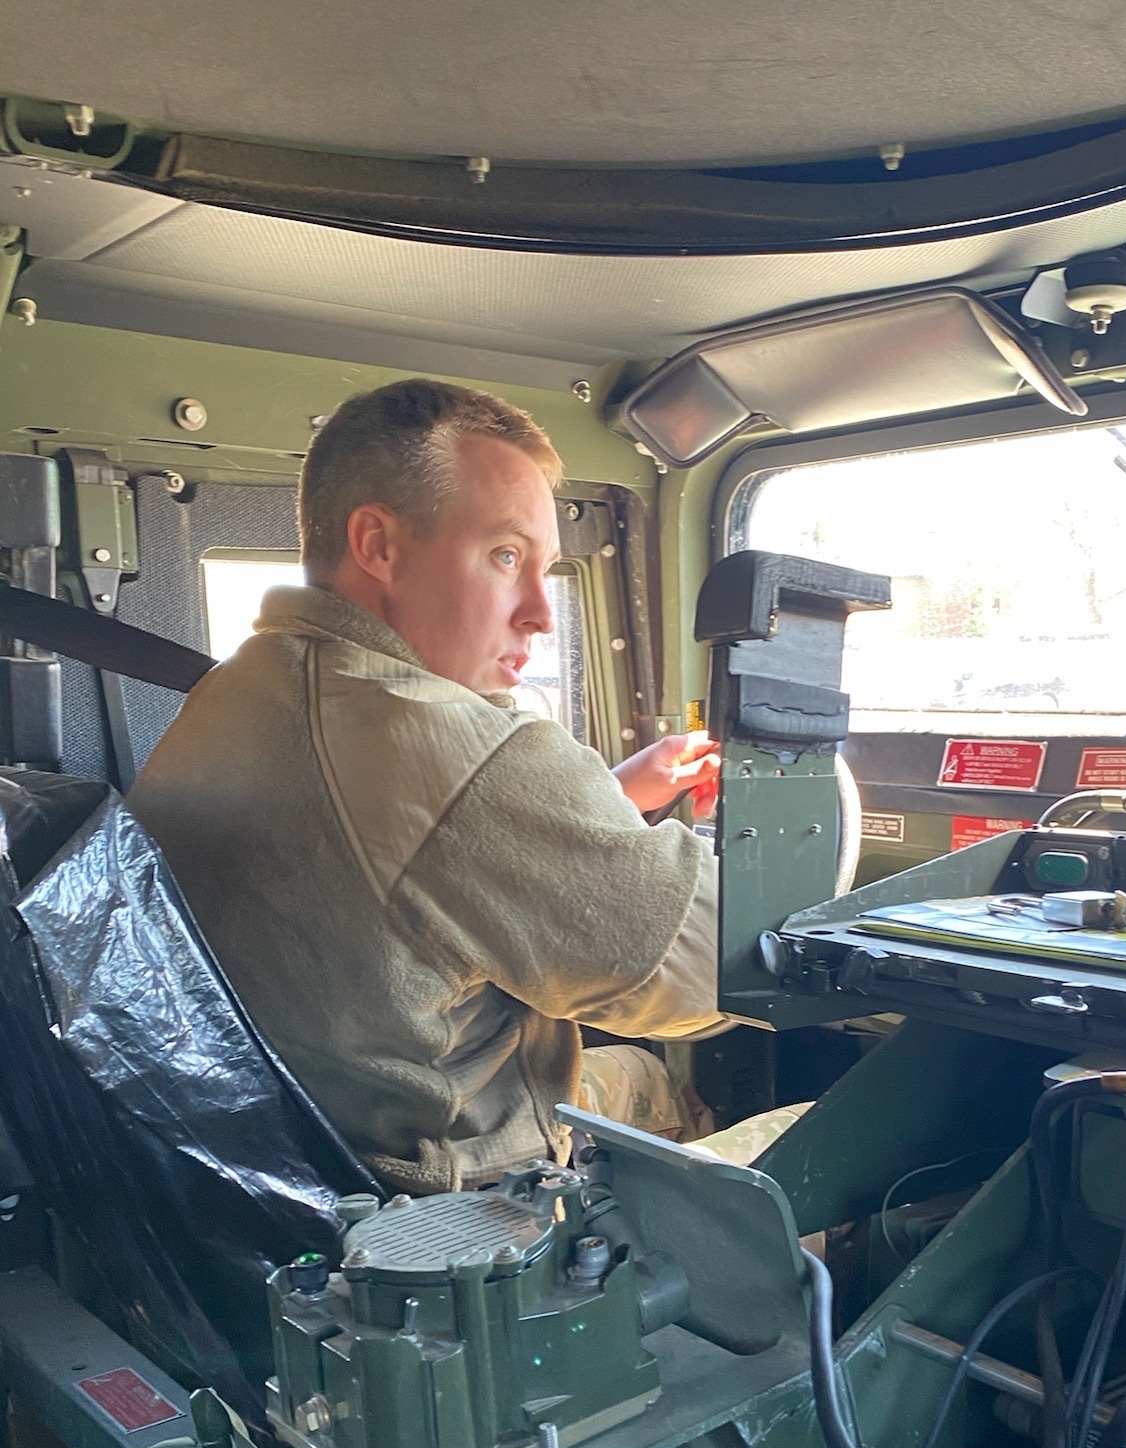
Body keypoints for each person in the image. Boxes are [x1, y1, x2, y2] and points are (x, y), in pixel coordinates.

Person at [129, 377, 723, 1193]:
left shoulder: (241, 688)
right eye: (505, 556)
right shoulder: (455, 746)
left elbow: (417, 849)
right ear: (378, 544)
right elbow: (714, 971)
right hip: (436, 1206)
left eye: (547, 569)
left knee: (639, 1081)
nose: (542, 614)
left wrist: (613, 797)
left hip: (265, 1173)